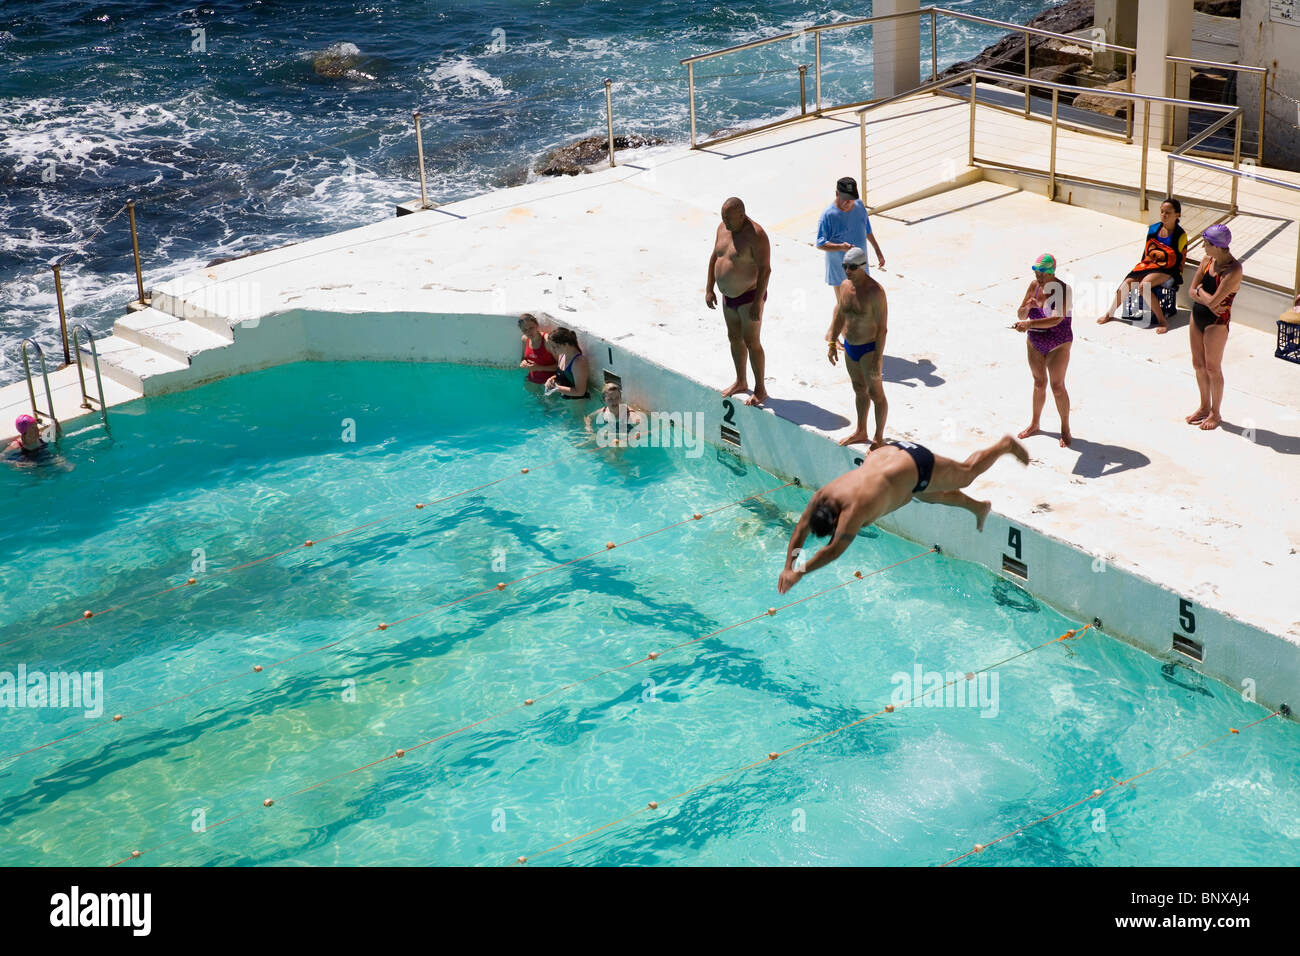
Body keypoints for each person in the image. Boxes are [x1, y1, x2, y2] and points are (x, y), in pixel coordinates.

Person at [777, 435, 1029, 593]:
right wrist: (789, 565)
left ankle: (1004, 445)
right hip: (887, 456)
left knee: (966, 474)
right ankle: (978, 508)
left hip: (912, 465)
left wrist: (798, 572)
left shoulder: (852, 512)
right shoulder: (821, 495)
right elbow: (801, 530)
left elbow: (831, 551)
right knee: (927, 494)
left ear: (835, 521)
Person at [705, 197, 771, 406]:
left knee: (752, 342)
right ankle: (741, 381)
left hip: (749, 297)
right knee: (734, 337)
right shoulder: (722, 229)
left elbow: (765, 270)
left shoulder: (757, 236)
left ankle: (760, 389)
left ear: (742, 215)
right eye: (723, 216)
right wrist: (709, 288)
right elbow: (714, 258)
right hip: (728, 297)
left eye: (729, 218)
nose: (725, 221)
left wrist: (758, 302)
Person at [826, 246, 888, 448]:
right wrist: (833, 342)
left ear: (862, 266)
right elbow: (840, 315)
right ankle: (861, 431)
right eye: (845, 266)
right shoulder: (844, 286)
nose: (847, 270)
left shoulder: (875, 292)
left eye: (852, 267)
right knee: (859, 389)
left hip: (869, 350)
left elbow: (882, 329)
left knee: (876, 394)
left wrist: (877, 359)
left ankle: (879, 438)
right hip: (851, 348)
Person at [1097, 197, 1187, 333]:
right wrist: (1141, 270)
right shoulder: (1153, 229)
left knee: (1144, 286)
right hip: (1150, 264)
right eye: (1162, 211)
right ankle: (1110, 313)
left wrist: (1176, 279)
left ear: (1177, 214)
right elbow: (1147, 253)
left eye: (1168, 212)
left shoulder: (1180, 235)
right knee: (1127, 282)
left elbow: (1180, 260)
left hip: (1168, 269)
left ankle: (1162, 321)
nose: (1164, 215)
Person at [1185, 224, 1242, 431]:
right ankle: (1203, 406)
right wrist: (1200, 291)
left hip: (1217, 323)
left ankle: (1215, 413)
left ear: (1217, 246)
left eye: (1206, 243)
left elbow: (1216, 302)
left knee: (1213, 368)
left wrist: (1200, 292)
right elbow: (1191, 291)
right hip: (1197, 316)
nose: (1203, 247)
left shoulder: (1234, 270)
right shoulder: (1207, 260)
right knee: (1198, 365)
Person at [1013, 253, 1074, 447]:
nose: (1039, 277)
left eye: (1043, 273)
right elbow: (1020, 313)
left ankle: (1065, 428)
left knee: (1057, 387)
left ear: (1052, 272)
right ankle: (1034, 423)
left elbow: (1057, 319)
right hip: (1036, 339)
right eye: (1037, 272)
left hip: (1059, 341)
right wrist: (1027, 308)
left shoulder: (1063, 290)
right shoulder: (1034, 286)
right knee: (1039, 382)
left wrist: (1029, 323)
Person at [817, 176, 885, 346]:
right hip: (840, 268)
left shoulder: (859, 205)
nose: (849, 203)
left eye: (852, 200)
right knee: (844, 305)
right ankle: (846, 343)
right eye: (845, 200)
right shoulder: (828, 215)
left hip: (860, 265)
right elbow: (820, 243)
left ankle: (833, 334)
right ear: (836, 194)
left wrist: (877, 250)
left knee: (854, 303)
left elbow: (867, 228)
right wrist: (841, 247)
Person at [586, 382, 646, 446]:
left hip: (625, 439)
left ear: (621, 398)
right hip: (613, 435)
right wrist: (589, 428)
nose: (614, 402)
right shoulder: (603, 411)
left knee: (615, 451)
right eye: (610, 399)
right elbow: (588, 418)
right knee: (586, 444)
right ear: (604, 400)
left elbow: (642, 428)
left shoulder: (629, 415)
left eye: (617, 398)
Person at [544, 328, 589, 400]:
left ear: (566, 344)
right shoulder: (562, 355)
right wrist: (551, 379)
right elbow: (563, 376)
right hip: (565, 399)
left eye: (555, 347)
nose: (552, 350)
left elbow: (580, 392)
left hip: (578, 403)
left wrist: (557, 388)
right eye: (551, 347)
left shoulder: (578, 362)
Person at [518, 313, 557, 384]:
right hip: (531, 381)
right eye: (525, 330)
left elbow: (561, 366)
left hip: (549, 383)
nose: (529, 332)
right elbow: (523, 358)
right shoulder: (524, 339)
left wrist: (539, 367)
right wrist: (523, 362)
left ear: (537, 325)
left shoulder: (547, 341)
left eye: (531, 328)